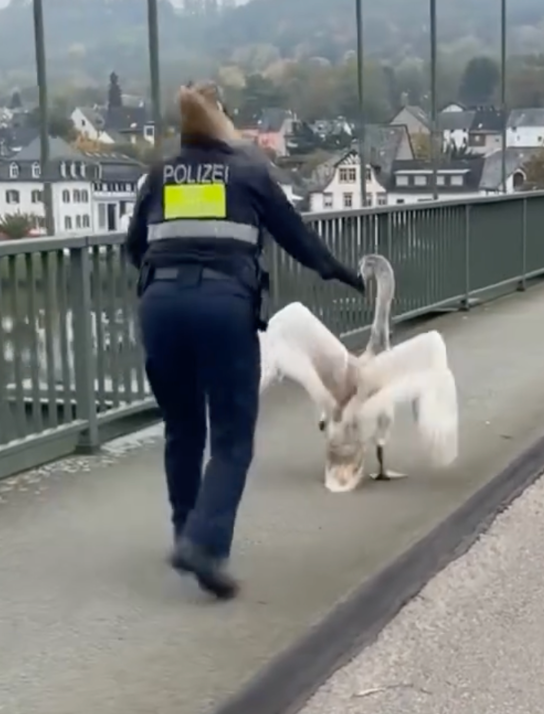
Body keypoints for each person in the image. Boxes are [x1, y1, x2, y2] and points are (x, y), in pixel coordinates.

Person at [125, 82, 365, 600]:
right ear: (224, 121)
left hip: (161, 309)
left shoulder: (159, 175)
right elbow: (297, 240)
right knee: (231, 438)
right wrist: (339, 271)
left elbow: (134, 248)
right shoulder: (249, 171)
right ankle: (204, 545)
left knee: (183, 429)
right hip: (223, 310)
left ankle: (185, 530)